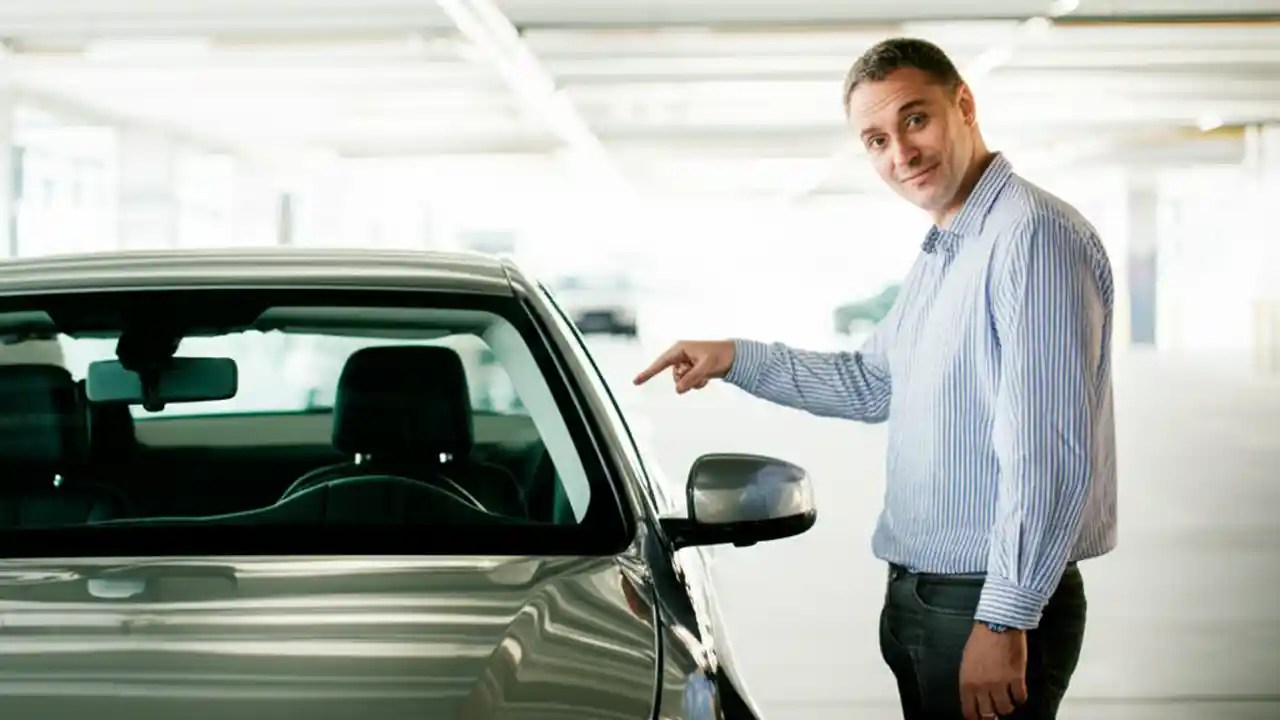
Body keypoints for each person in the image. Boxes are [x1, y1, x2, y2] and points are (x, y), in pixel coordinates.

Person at [633, 37, 1117, 720]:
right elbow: (870, 383)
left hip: (982, 600)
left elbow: (1050, 452)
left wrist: (1005, 620)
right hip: (926, 595)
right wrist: (737, 357)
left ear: (964, 105)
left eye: (915, 120)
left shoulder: (1030, 239)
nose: (900, 154)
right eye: (875, 140)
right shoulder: (947, 249)